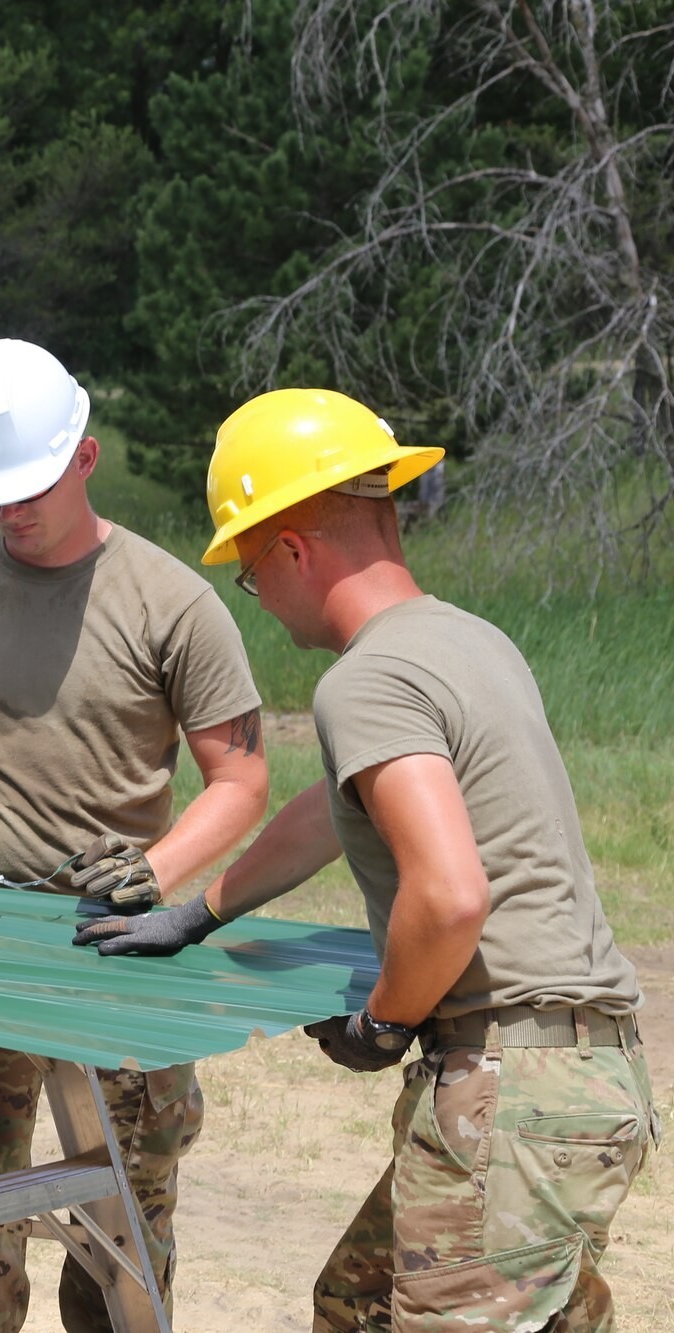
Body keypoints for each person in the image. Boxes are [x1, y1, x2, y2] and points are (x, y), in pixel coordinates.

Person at [77, 387, 657, 1331]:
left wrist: (383, 1024)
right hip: (581, 1075)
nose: (261, 601)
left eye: (251, 576)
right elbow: (331, 809)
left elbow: (450, 893)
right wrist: (200, 909)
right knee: (356, 1303)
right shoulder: (466, 639)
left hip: (510, 1083)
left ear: (292, 550)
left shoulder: (368, 678)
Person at [0, 339, 270, 1332]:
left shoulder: (169, 602)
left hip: (110, 953)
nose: (10, 510)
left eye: (30, 487)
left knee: (123, 1216)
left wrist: (151, 871)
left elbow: (241, 779)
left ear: (84, 457)